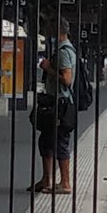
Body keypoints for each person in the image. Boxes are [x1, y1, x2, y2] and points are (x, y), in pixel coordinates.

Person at [32, 18, 78, 195]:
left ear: (56, 29)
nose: (46, 30)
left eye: (48, 27)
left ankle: (65, 183)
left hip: (61, 104)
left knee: (59, 142)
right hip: (54, 103)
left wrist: (47, 68)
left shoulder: (64, 52)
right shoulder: (62, 49)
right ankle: (46, 180)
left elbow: (67, 79)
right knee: (46, 142)